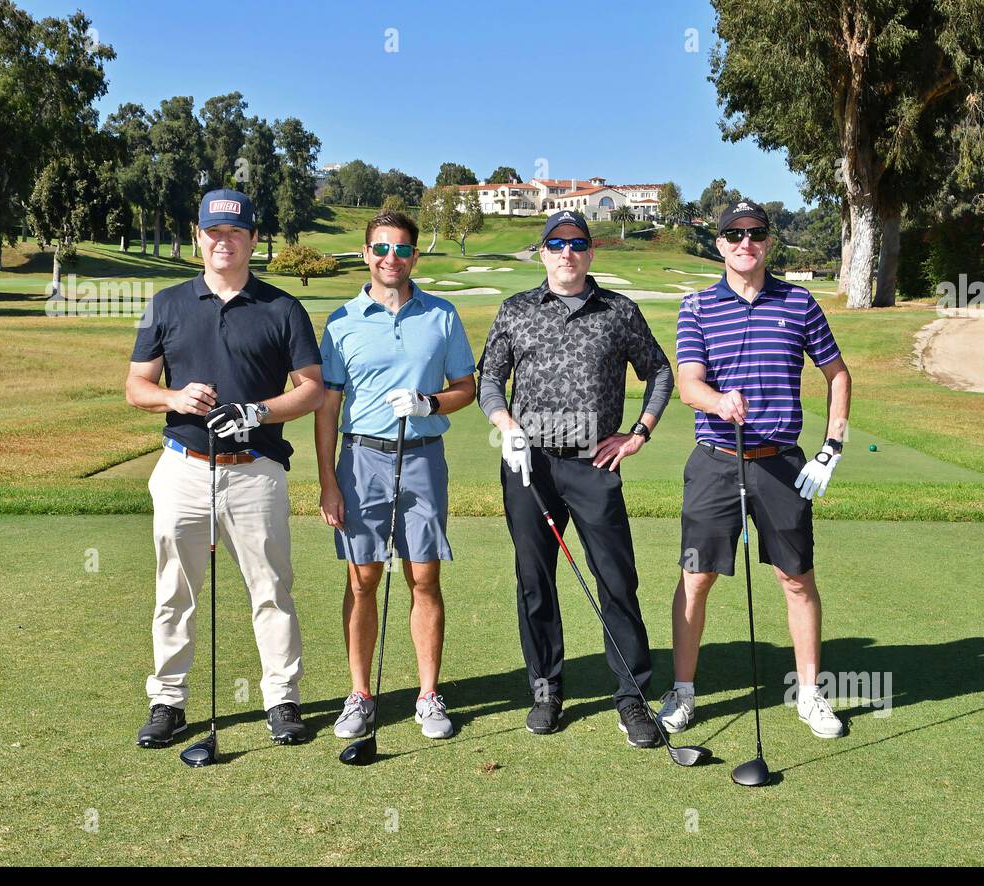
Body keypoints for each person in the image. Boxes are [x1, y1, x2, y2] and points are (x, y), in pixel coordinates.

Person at [126, 188, 324, 748]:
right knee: (175, 589)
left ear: (253, 239)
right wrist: (175, 398)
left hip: (255, 468)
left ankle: (282, 699)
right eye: (213, 232)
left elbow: (311, 390)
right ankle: (168, 701)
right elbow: (135, 387)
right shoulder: (167, 303)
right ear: (198, 236)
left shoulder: (282, 307)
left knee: (271, 588)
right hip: (183, 467)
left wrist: (256, 412)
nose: (223, 241)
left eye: (234, 233)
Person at [478, 210, 674, 747]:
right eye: (556, 244)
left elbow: (659, 371)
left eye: (577, 244)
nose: (567, 253)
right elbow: (489, 377)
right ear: (542, 252)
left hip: (595, 463)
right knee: (534, 579)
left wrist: (638, 433)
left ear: (591, 253)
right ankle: (545, 688)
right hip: (528, 463)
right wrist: (506, 426)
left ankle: (631, 697)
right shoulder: (516, 310)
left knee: (616, 578)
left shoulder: (618, 310)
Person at [658, 201, 852, 740]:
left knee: (796, 579)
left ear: (769, 242)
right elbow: (688, 383)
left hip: (780, 463)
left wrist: (831, 444)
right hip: (716, 461)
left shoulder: (799, 302)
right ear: (718, 244)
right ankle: (684, 692)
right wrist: (719, 401)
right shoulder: (697, 307)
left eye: (756, 233)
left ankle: (810, 695)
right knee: (696, 577)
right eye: (734, 235)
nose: (746, 243)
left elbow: (838, 374)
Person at [315, 211, 476, 740]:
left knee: (424, 577)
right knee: (363, 580)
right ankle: (360, 694)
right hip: (360, 459)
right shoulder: (341, 322)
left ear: (414, 257)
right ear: (366, 254)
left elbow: (465, 387)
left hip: (424, 456)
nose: (392, 258)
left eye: (402, 250)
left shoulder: (442, 315)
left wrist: (428, 401)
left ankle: (428, 695)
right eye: (381, 249)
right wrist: (328, 482)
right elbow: (327, 408)